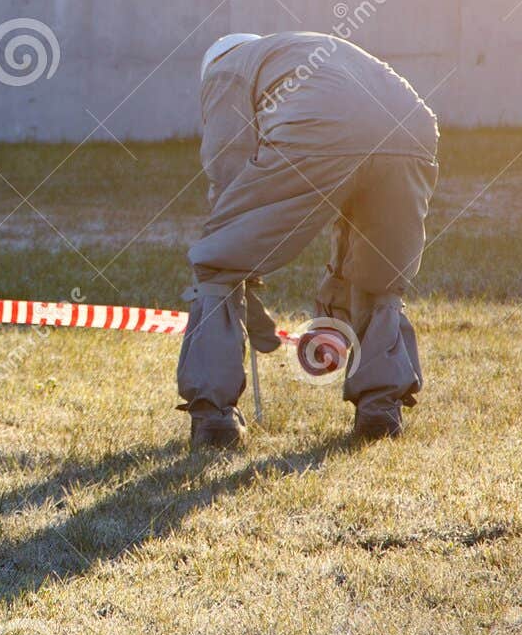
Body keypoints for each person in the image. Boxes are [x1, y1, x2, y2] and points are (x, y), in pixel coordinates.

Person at [178, 32, 439, 448]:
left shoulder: (226, 68)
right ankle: (380, 406)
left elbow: (228, 172)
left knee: (216, 264)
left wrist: (234, 261)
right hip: (413, 129)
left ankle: (214, 418)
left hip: (325, 125)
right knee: (379, 272)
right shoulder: (297, 53)